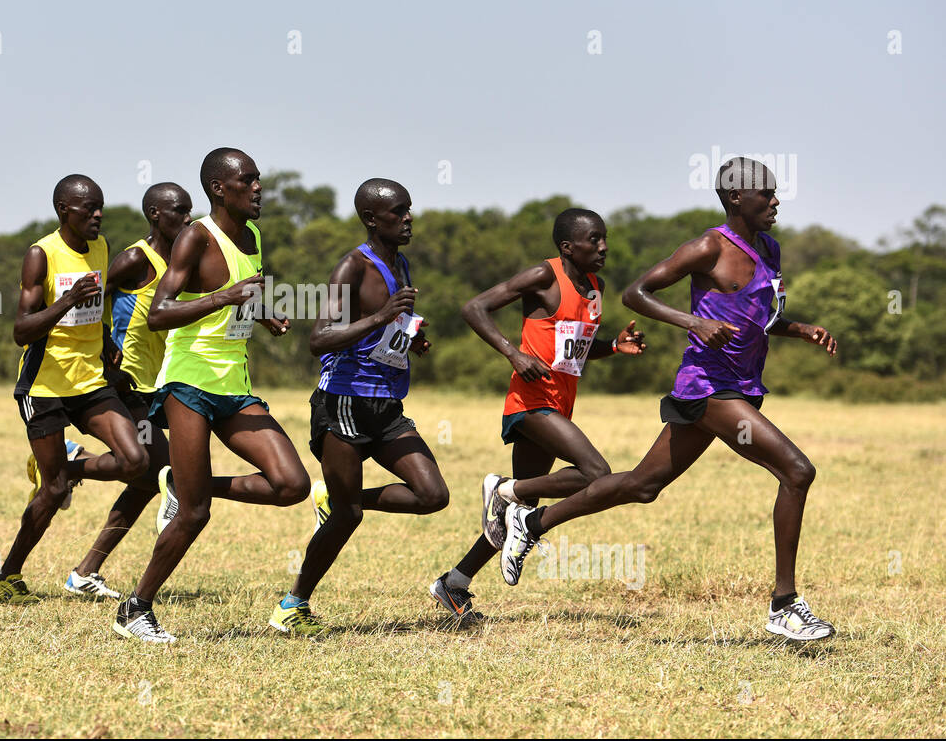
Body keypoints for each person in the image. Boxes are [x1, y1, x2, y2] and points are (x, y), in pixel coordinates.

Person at [498, 158, 838, 641]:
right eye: (767, 194)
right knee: (797, 471)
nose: (776, 201)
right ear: (737, 198)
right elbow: (636, 293)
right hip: (708, 387)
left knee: (641, 485)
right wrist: (692, 322)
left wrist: (800, 328)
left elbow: (758, 316)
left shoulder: (770, 250)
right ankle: (784, 605)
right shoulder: (707, 247)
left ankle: (534, 519)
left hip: (741, 388)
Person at [113, 148, 310, 643]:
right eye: (249, 180)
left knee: (292, 485)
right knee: (197, 516)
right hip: (189, 383)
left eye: (259, 179)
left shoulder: (255, 236)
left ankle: (185, 485)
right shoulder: (194, 237)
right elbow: (159, 312)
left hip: (235, 386)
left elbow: (245, 294)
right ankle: (135, 609)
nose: (260, 188)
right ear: (220, 188)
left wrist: (263, 313)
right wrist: (226, 297)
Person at [429, 208, 645, 620]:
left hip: (558, 404)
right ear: (568, 247)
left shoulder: (594, 287)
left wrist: (614, 347)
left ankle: (454, 582)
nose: (603, 247)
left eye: (604, 239)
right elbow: (474, 308)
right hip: (530, 403)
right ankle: (504, 489)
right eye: (593, 240)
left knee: (516, 516)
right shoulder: (543, 276)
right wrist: (514, 354)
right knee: (596, 473)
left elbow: (575, 349)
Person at [272, 178, 447, 635]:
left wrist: (408, 336)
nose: (408, 218)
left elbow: (386, 327)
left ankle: (335, 497)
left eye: (409, 209)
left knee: (433, 496)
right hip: (344, 401)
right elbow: (319, 339)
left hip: (386, 404)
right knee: (349, 519)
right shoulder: (352, 267)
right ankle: (293, 605)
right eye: (398, 212)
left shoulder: (401, 262)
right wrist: (382, 316)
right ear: (372, 218)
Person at [0, 174, 152, 603]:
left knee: (136, 459)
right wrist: (64, 302)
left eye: (100, 207)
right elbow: (21, 331)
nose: (97, 215)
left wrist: (108, 345)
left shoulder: (100, 247)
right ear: (65, 211)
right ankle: (7, 575)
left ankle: (68, 465)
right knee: (55, 491)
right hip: (43, 386)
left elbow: (97, 308)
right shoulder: (40, 255)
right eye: (87, 209)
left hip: (91, 380)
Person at [60, 182, 192, 600]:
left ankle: (85, 570)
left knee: (146, 479)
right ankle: (63, 470)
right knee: (162, 473)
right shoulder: (136, 258)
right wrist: (103, 348)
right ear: (155, 214)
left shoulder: (186, 259)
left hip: (162, 380)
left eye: (190, 211)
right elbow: (92, 303)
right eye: (179, 211)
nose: (188, 219)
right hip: (127, 382)